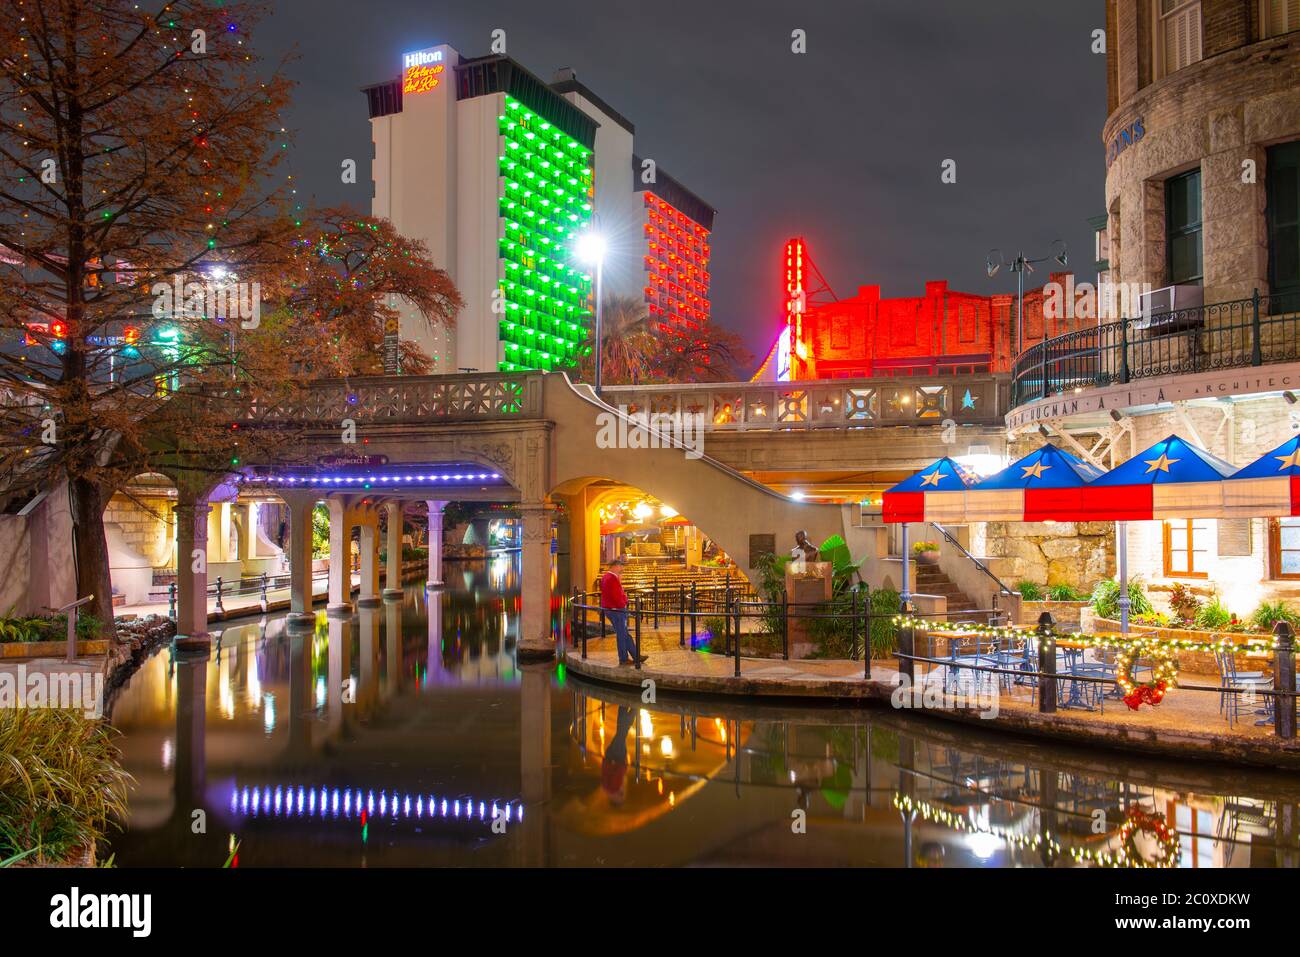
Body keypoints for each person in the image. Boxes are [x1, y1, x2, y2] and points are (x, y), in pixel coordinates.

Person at [599, 555, 647, 666]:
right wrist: (624, 604)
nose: (622, 569)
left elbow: (615, 594)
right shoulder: (612, 578)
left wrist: (623, 599)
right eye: (621, 566)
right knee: (622, 634)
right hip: (617, 610)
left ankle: (636, 656)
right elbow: (617, 597)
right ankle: (623, 659)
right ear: (615, 566)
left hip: (612, 609)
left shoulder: (606, 577)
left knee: (625, 634)